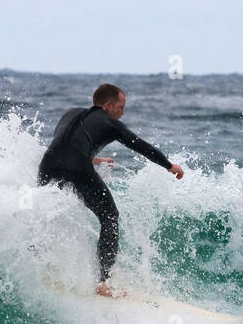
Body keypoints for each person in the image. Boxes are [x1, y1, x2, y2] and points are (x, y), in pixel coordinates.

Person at [38, 83, 184, 297]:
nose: (122, 113)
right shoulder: (110, 123)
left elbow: (63, 144)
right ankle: (104, 283)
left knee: (41, 215)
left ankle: (33, 263)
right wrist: (169, 165)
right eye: (120, 107)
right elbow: (140, 145)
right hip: (77, 168)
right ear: (108, 106)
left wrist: (93, 158)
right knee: (109, 216)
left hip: (48, 166)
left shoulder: (70, 114)